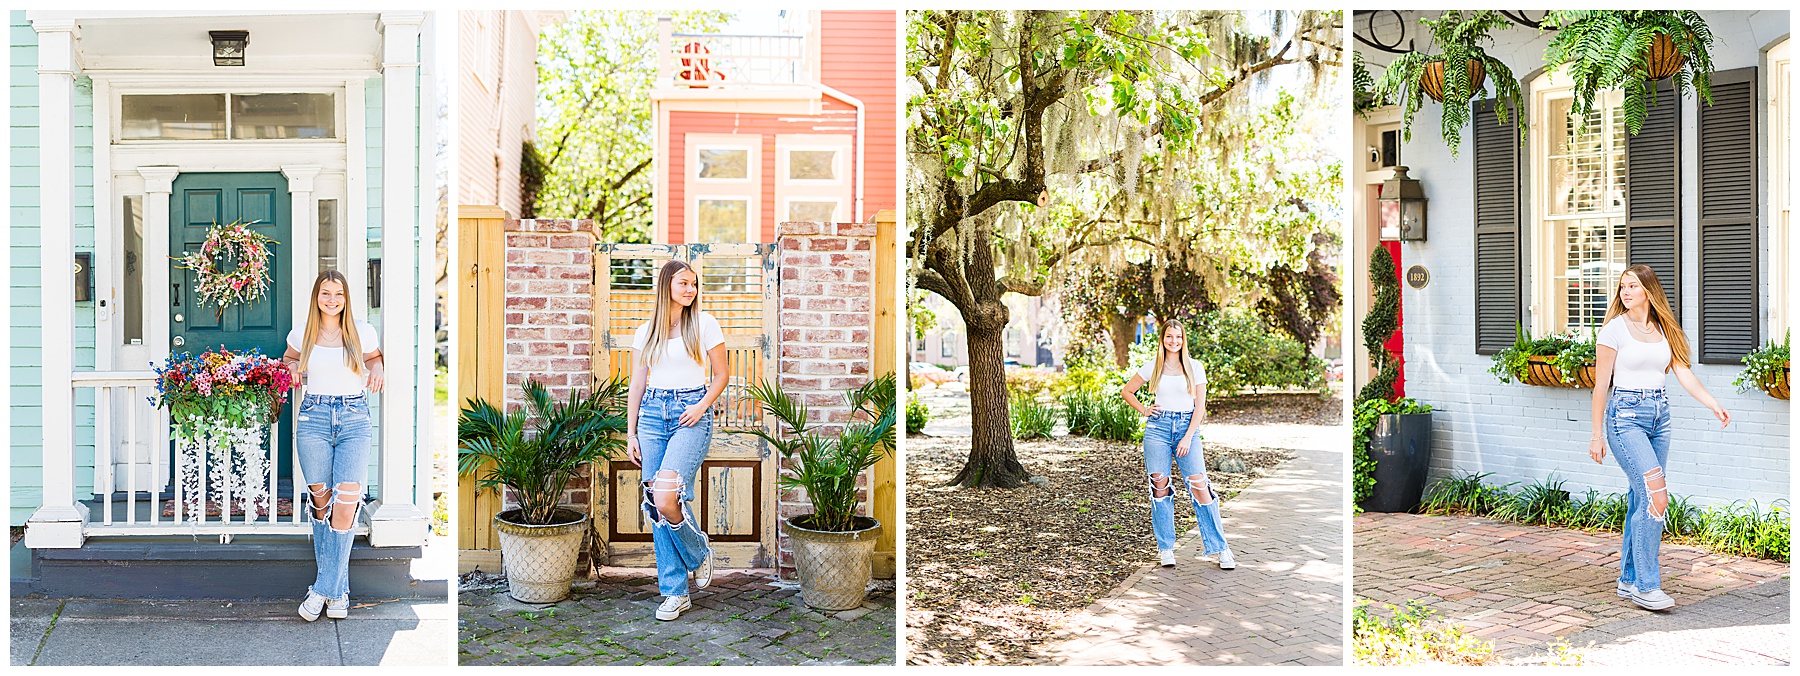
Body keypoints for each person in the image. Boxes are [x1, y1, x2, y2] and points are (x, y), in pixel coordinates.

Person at [1589, 264, 1729, 611]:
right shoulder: (1613, 331)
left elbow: (1683, 372)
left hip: (1659, 417)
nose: (1625, 292)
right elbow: (1600, 385)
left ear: (1649, 291)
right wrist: (1596, 435)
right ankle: (1647, 587)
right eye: (1622, 287)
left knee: (1641, 497)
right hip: (1625, 418)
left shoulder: (1666, 328)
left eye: (1632, 286)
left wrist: (1713, 403)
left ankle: (1628, 579)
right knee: (1656, 497)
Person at [627, 259, 729, 621]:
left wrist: (701, 406)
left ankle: (699, 553)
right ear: (666, 285)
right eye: (684, 283)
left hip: (691, 411)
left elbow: (722, 374)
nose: (691, 290)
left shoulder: (703, 323)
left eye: (694, 284)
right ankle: (674, 593)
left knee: (668, 495)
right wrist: (631, 432)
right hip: (652, 416)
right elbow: (637, 385)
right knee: (655, 504)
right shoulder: (645, 332)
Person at [285, 270, 384, 621]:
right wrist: (293, 366)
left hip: (354, 416)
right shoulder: (304, 332)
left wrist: (379, 369)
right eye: (325, 293)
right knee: (321, 502)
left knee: (347, 502)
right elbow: (288, 359)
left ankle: (322, 589)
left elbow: (374, 358)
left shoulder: (362, 330)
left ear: (346, 297)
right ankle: (338, 593)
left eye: (338, 293)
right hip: (313, 417)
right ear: (317, 297)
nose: (332, 299)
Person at [1122, 320, 1234, 570]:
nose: (1174, 341)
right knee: (1159, 486)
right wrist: (1144, 409)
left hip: (1187, 429)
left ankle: (1221, 548)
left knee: (1200, 486)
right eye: (1169, 337)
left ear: (1184, 340)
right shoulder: (1153, 366)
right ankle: (1166, 548)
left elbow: (1200, 407)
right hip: (1158, 429)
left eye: (1179, 337)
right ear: (1162, 339)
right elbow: (1127, 391)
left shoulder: (1195, 367)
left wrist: (1187, 437)